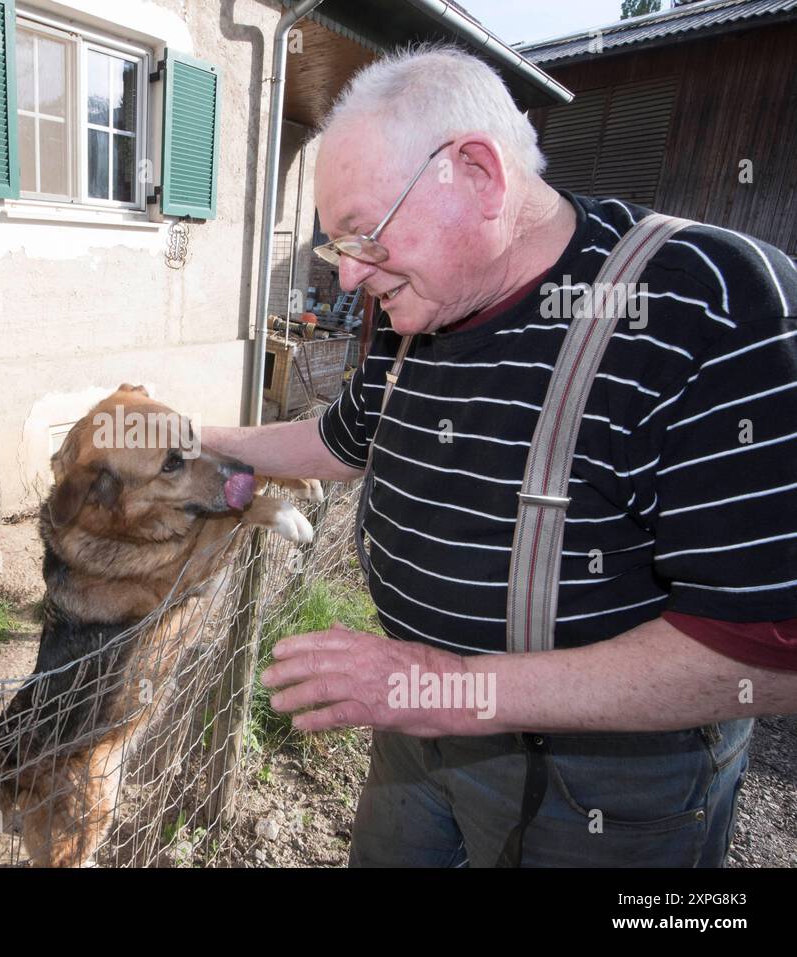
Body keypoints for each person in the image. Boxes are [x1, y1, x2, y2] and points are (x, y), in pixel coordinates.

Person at [198, 44, 797, 867]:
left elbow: (766, 653)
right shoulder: (416, 305)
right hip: (416, 728)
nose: (345, 277)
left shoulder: (712, 304)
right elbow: (344, 439)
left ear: (477, 174)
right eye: (337, 247)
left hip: (608, 783)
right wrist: (202, 440)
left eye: (360, 236)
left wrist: (446, 690)